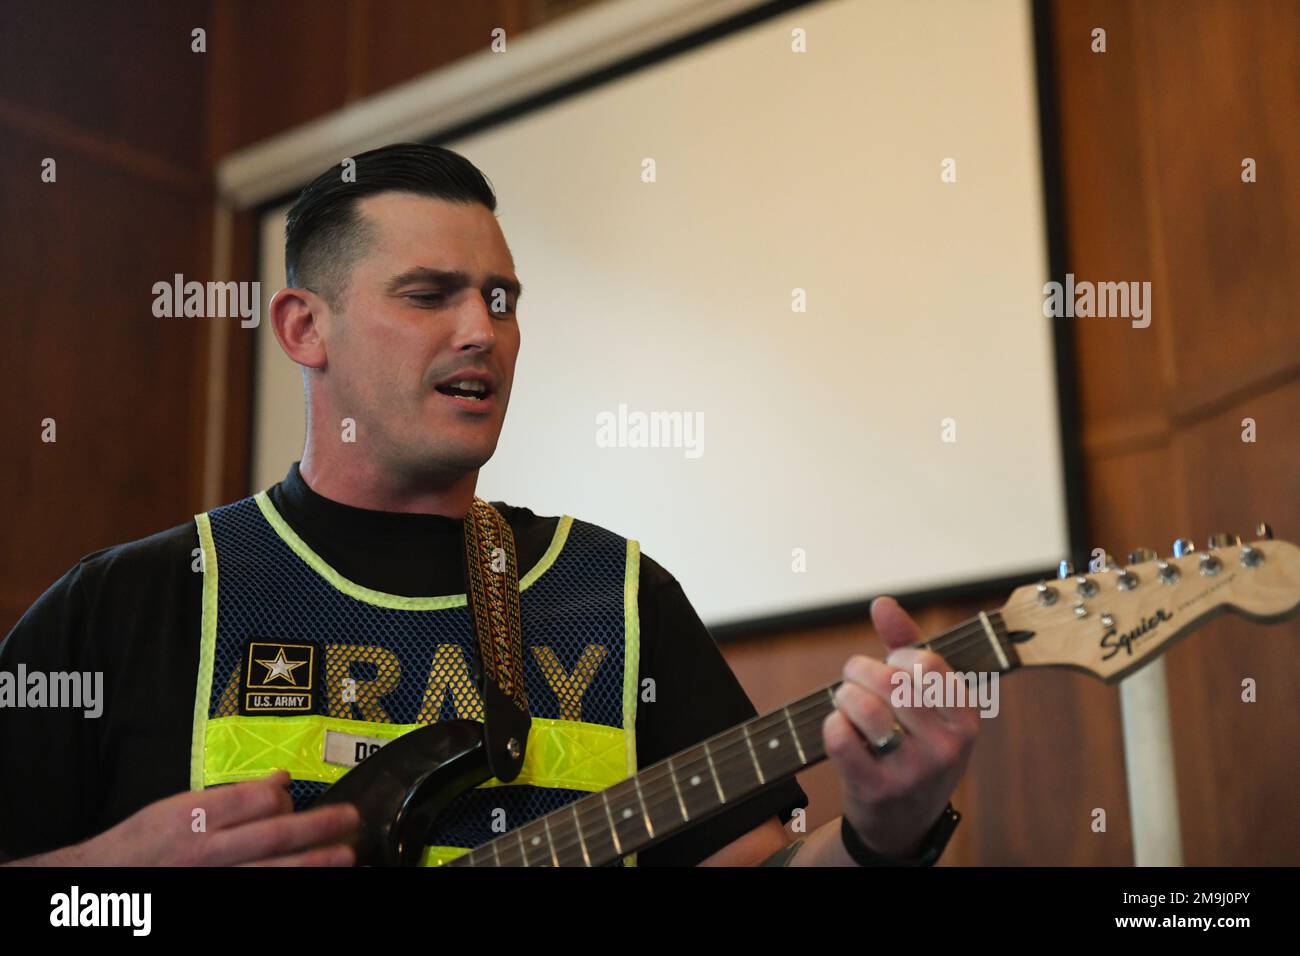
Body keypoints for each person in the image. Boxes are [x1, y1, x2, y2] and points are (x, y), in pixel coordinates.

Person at [0, 143, 977, 866]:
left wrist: (885, 829)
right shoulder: (130, 605)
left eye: (501, 300)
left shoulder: (618, 596)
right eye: (429, 294)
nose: (483, 331)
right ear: (306, 327)